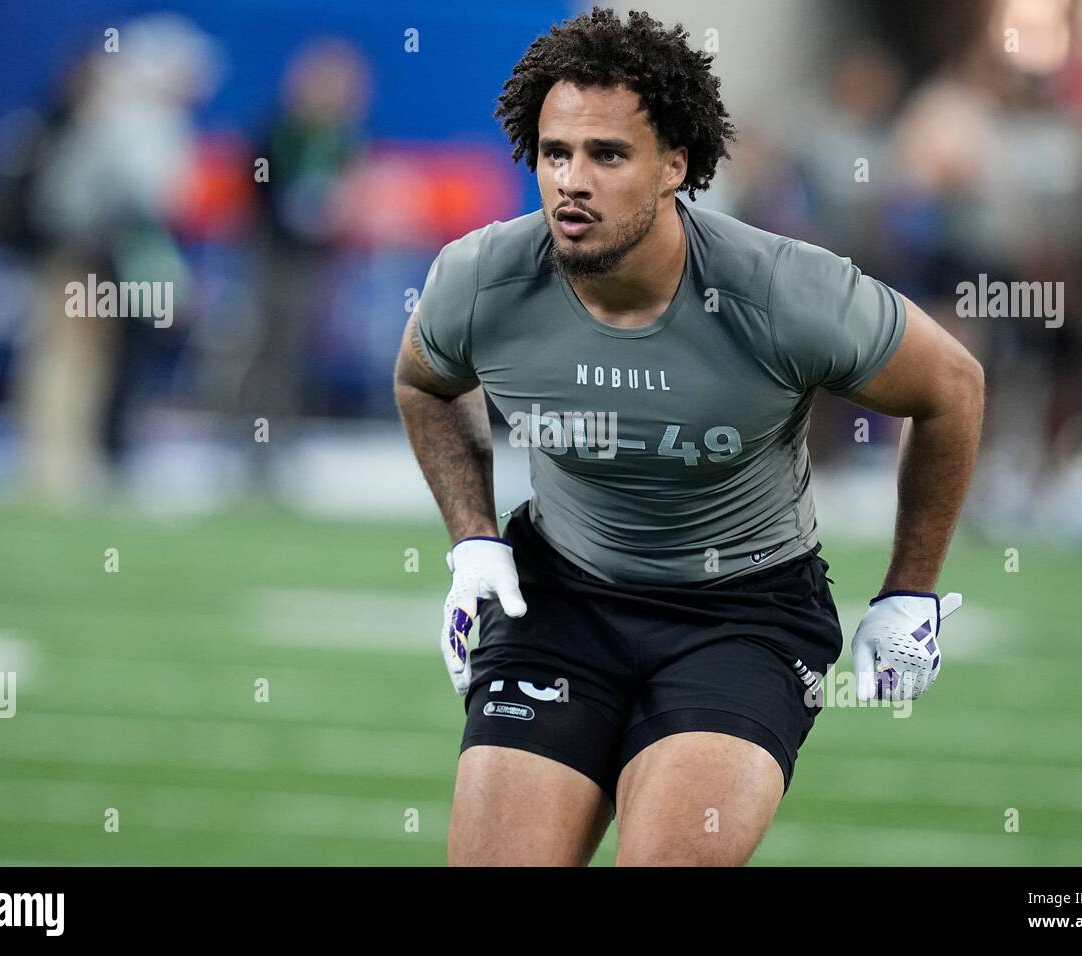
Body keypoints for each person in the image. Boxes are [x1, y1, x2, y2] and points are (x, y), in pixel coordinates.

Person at [394, 6, 984, 866]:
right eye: (555, 154)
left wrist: (908, 592)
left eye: (607, 154)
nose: (571, 181)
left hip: (742, 619)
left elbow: (952, 388)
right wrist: (473, 540)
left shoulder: (782, 292)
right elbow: (422, 380)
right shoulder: (480, 278)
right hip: (560, 601)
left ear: (676, 163)